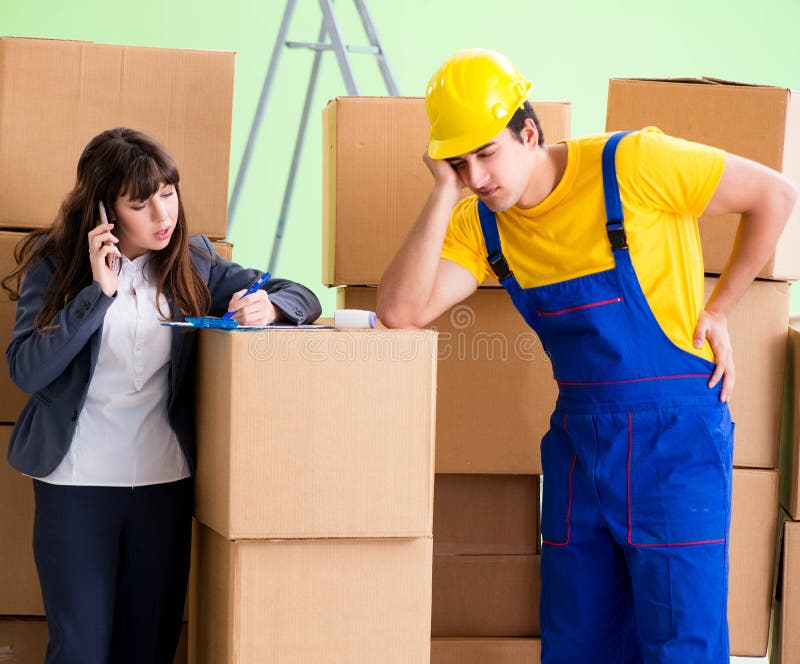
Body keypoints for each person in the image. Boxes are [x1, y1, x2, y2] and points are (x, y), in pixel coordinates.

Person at [377, 49, 797, 662]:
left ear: (529, 132)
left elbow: (775, 195)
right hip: (579, 448)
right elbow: (400, 311)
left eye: (486, 154)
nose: (477, 177)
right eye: (459, 164)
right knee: (578, 643)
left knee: (682, 644)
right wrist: (444, 191)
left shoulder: (632, 164)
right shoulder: (481, 224)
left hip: (674, 441)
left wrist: (721, 309)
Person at [2, 127, 321, 664]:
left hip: (162, 483)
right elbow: (27, 370)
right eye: (140, 204)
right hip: (76, 484)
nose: (162, 215)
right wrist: (97, 294)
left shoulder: (192, 261)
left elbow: (301, 295)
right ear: (104, 210)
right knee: (80, 650)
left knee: (148, 648)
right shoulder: (54, 263)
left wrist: (270, 308)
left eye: (168, 194)